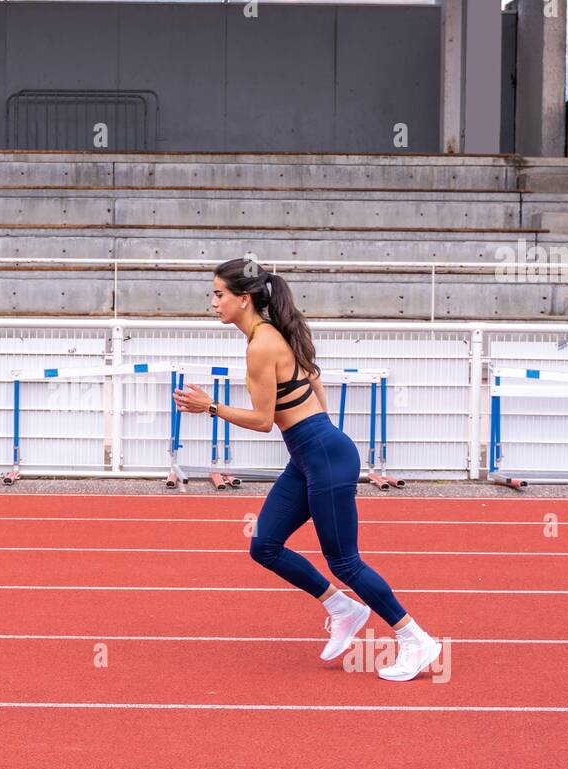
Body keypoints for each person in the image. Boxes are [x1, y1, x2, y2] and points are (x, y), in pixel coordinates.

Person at [173, 258, 441, 681]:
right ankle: (342, 607)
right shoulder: (273, 333)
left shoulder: (262, 343)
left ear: (244, 300)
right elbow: (313, 377)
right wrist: (317, 432)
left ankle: (416, 639)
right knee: (264, 546)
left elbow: (263, 421)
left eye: (219, 294)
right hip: (311, 454)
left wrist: (209, 406)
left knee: (345, 562)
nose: (212, 303)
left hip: (323, 456)